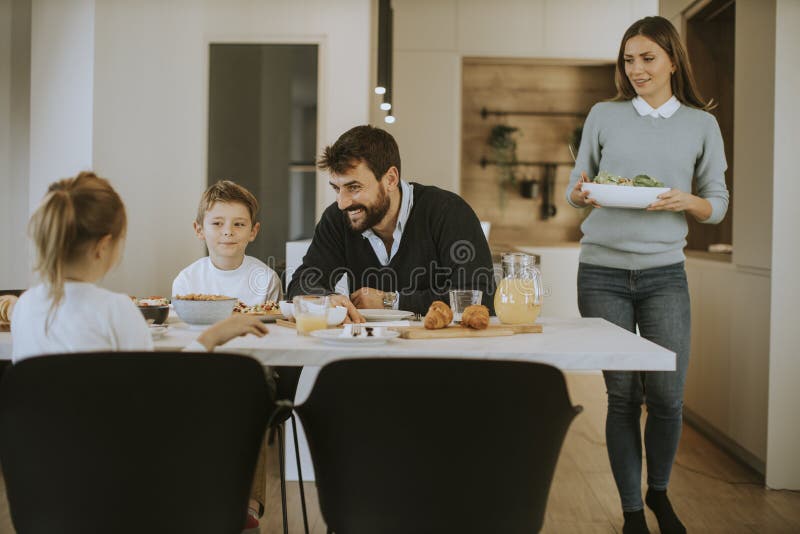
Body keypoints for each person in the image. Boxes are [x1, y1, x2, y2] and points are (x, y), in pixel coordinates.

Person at [10, 172, 268, 534]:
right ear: (104, 246)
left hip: (42, 483)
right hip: (121, 474)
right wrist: (213, 336)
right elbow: (163, 387)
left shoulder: (25, 308)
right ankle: (235, 508)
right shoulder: (115, 308)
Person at [566, 16, 729, 534]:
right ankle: (631, 513)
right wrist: (582, 191)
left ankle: (658, 493)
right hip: (602, 271)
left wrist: (687, 201)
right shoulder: (603, 114)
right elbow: (576, 187)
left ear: (673, 61)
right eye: (628, 59)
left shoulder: (701, 124)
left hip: (665, 275)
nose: (636, 69)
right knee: (622, 397)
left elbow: (718, 204)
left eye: (648, 58)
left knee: (667, 396)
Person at [287, 125, 495, 321]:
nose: (342, 203)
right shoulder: (338, 218)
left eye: (354, 187)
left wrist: (391, 301)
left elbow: (479, 296)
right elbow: (301, 283)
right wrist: (326, 300)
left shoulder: (448, 211)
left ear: (391, 179)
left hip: (436, 351)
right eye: (337, 188)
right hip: (368, 349)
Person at [172, 179, 281, 306]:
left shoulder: (267, 280)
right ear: (199, 230)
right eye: (217, 223)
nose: (228, 232)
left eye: (239, 224)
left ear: (253, 231)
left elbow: (274, 324)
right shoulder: (187, 280)